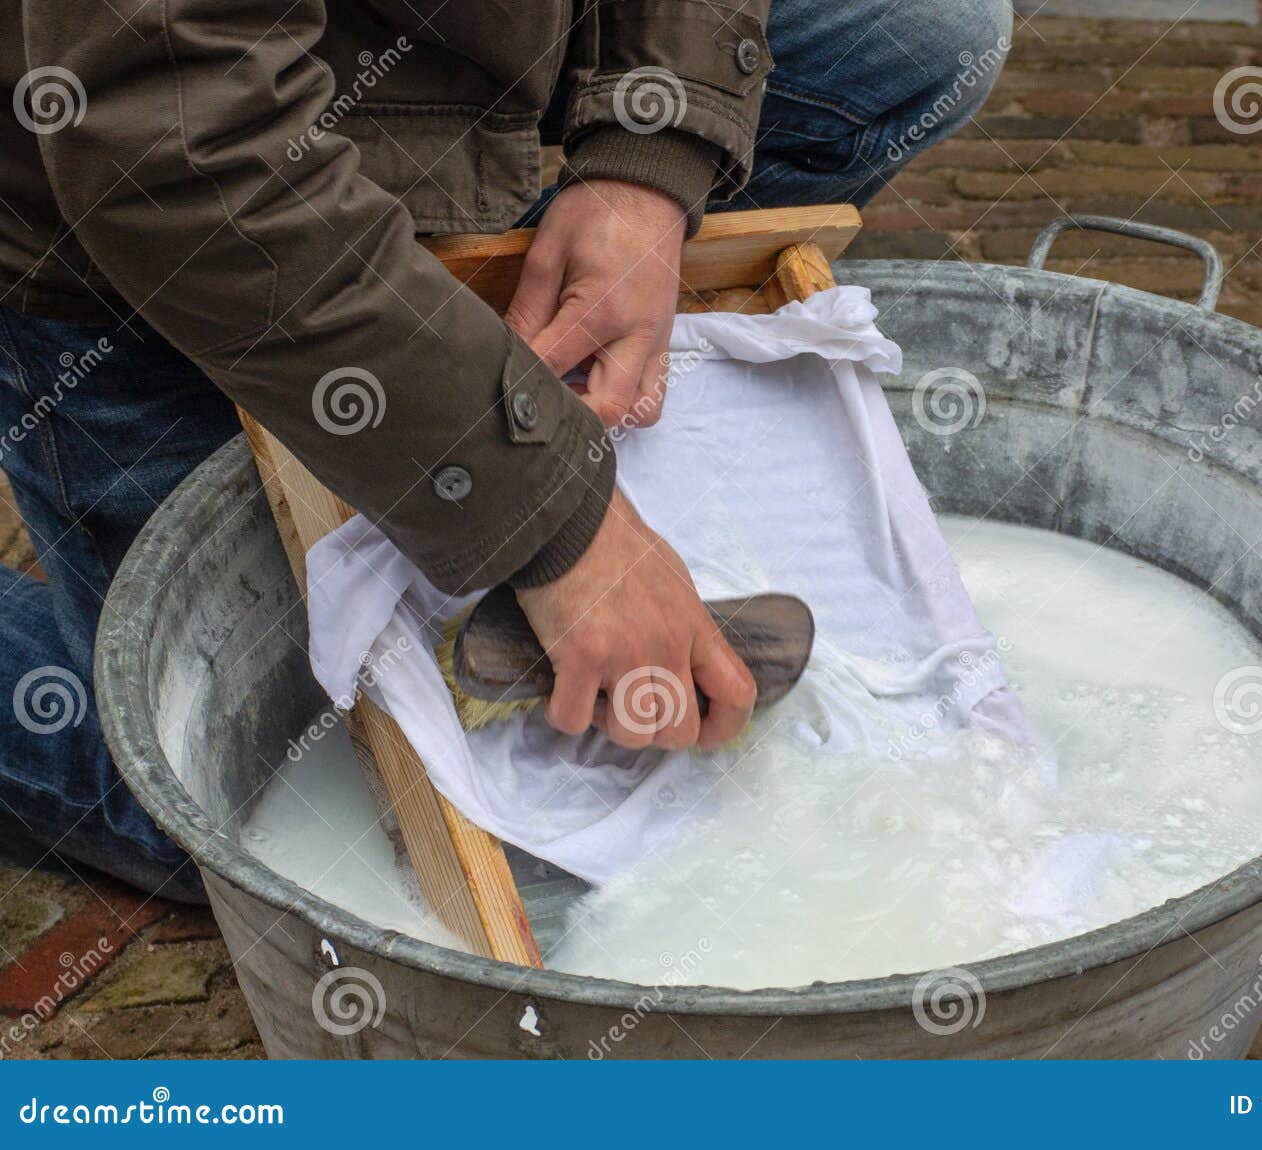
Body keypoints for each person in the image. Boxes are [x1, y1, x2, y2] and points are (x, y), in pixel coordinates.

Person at [0, 0, 1011, 901]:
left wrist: (647, 153)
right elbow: (166, 127)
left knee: (929, 37)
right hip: (132, 220)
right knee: (266, 811)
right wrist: (561, 524)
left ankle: (450, 317)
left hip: (443, 86)